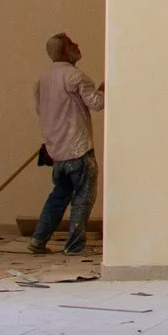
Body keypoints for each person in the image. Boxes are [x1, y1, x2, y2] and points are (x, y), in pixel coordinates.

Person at [31, 32, 105, 256]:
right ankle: (74, 247)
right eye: (72, 44)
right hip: (79, 149)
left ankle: (38, 239)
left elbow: (41, 111)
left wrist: (49, 140)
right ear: (64, 52)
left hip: (57, 150)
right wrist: (103, 89)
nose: (78, 45)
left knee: (59, 195)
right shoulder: (75, 77)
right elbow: (97, 103)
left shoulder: (43, 79)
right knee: (83, 198)